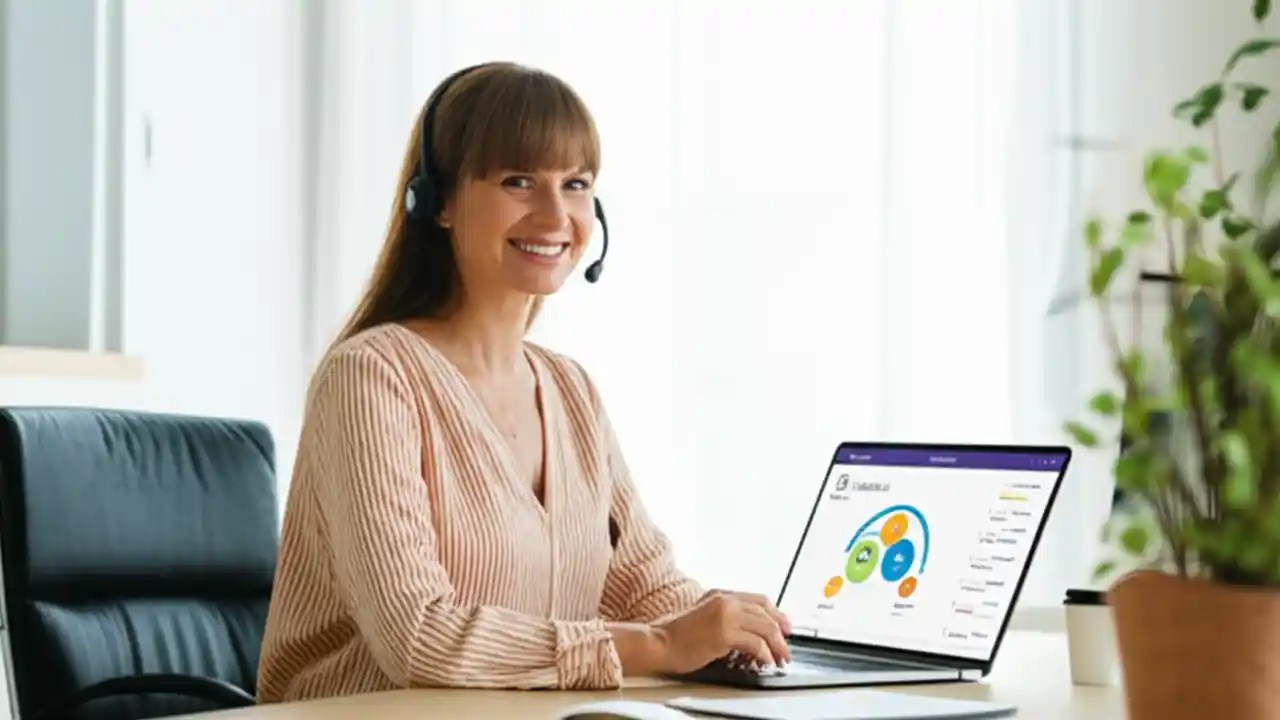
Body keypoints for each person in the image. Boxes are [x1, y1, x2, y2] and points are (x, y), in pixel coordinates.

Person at [256, 62, 791, 701]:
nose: (555, 214)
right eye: (519, 182)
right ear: (440, 202)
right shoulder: (371, 377)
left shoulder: (570, 390)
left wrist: (735, 631)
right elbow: (418, 636)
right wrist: (661, 646)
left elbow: (646, 585)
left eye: (575, 184)